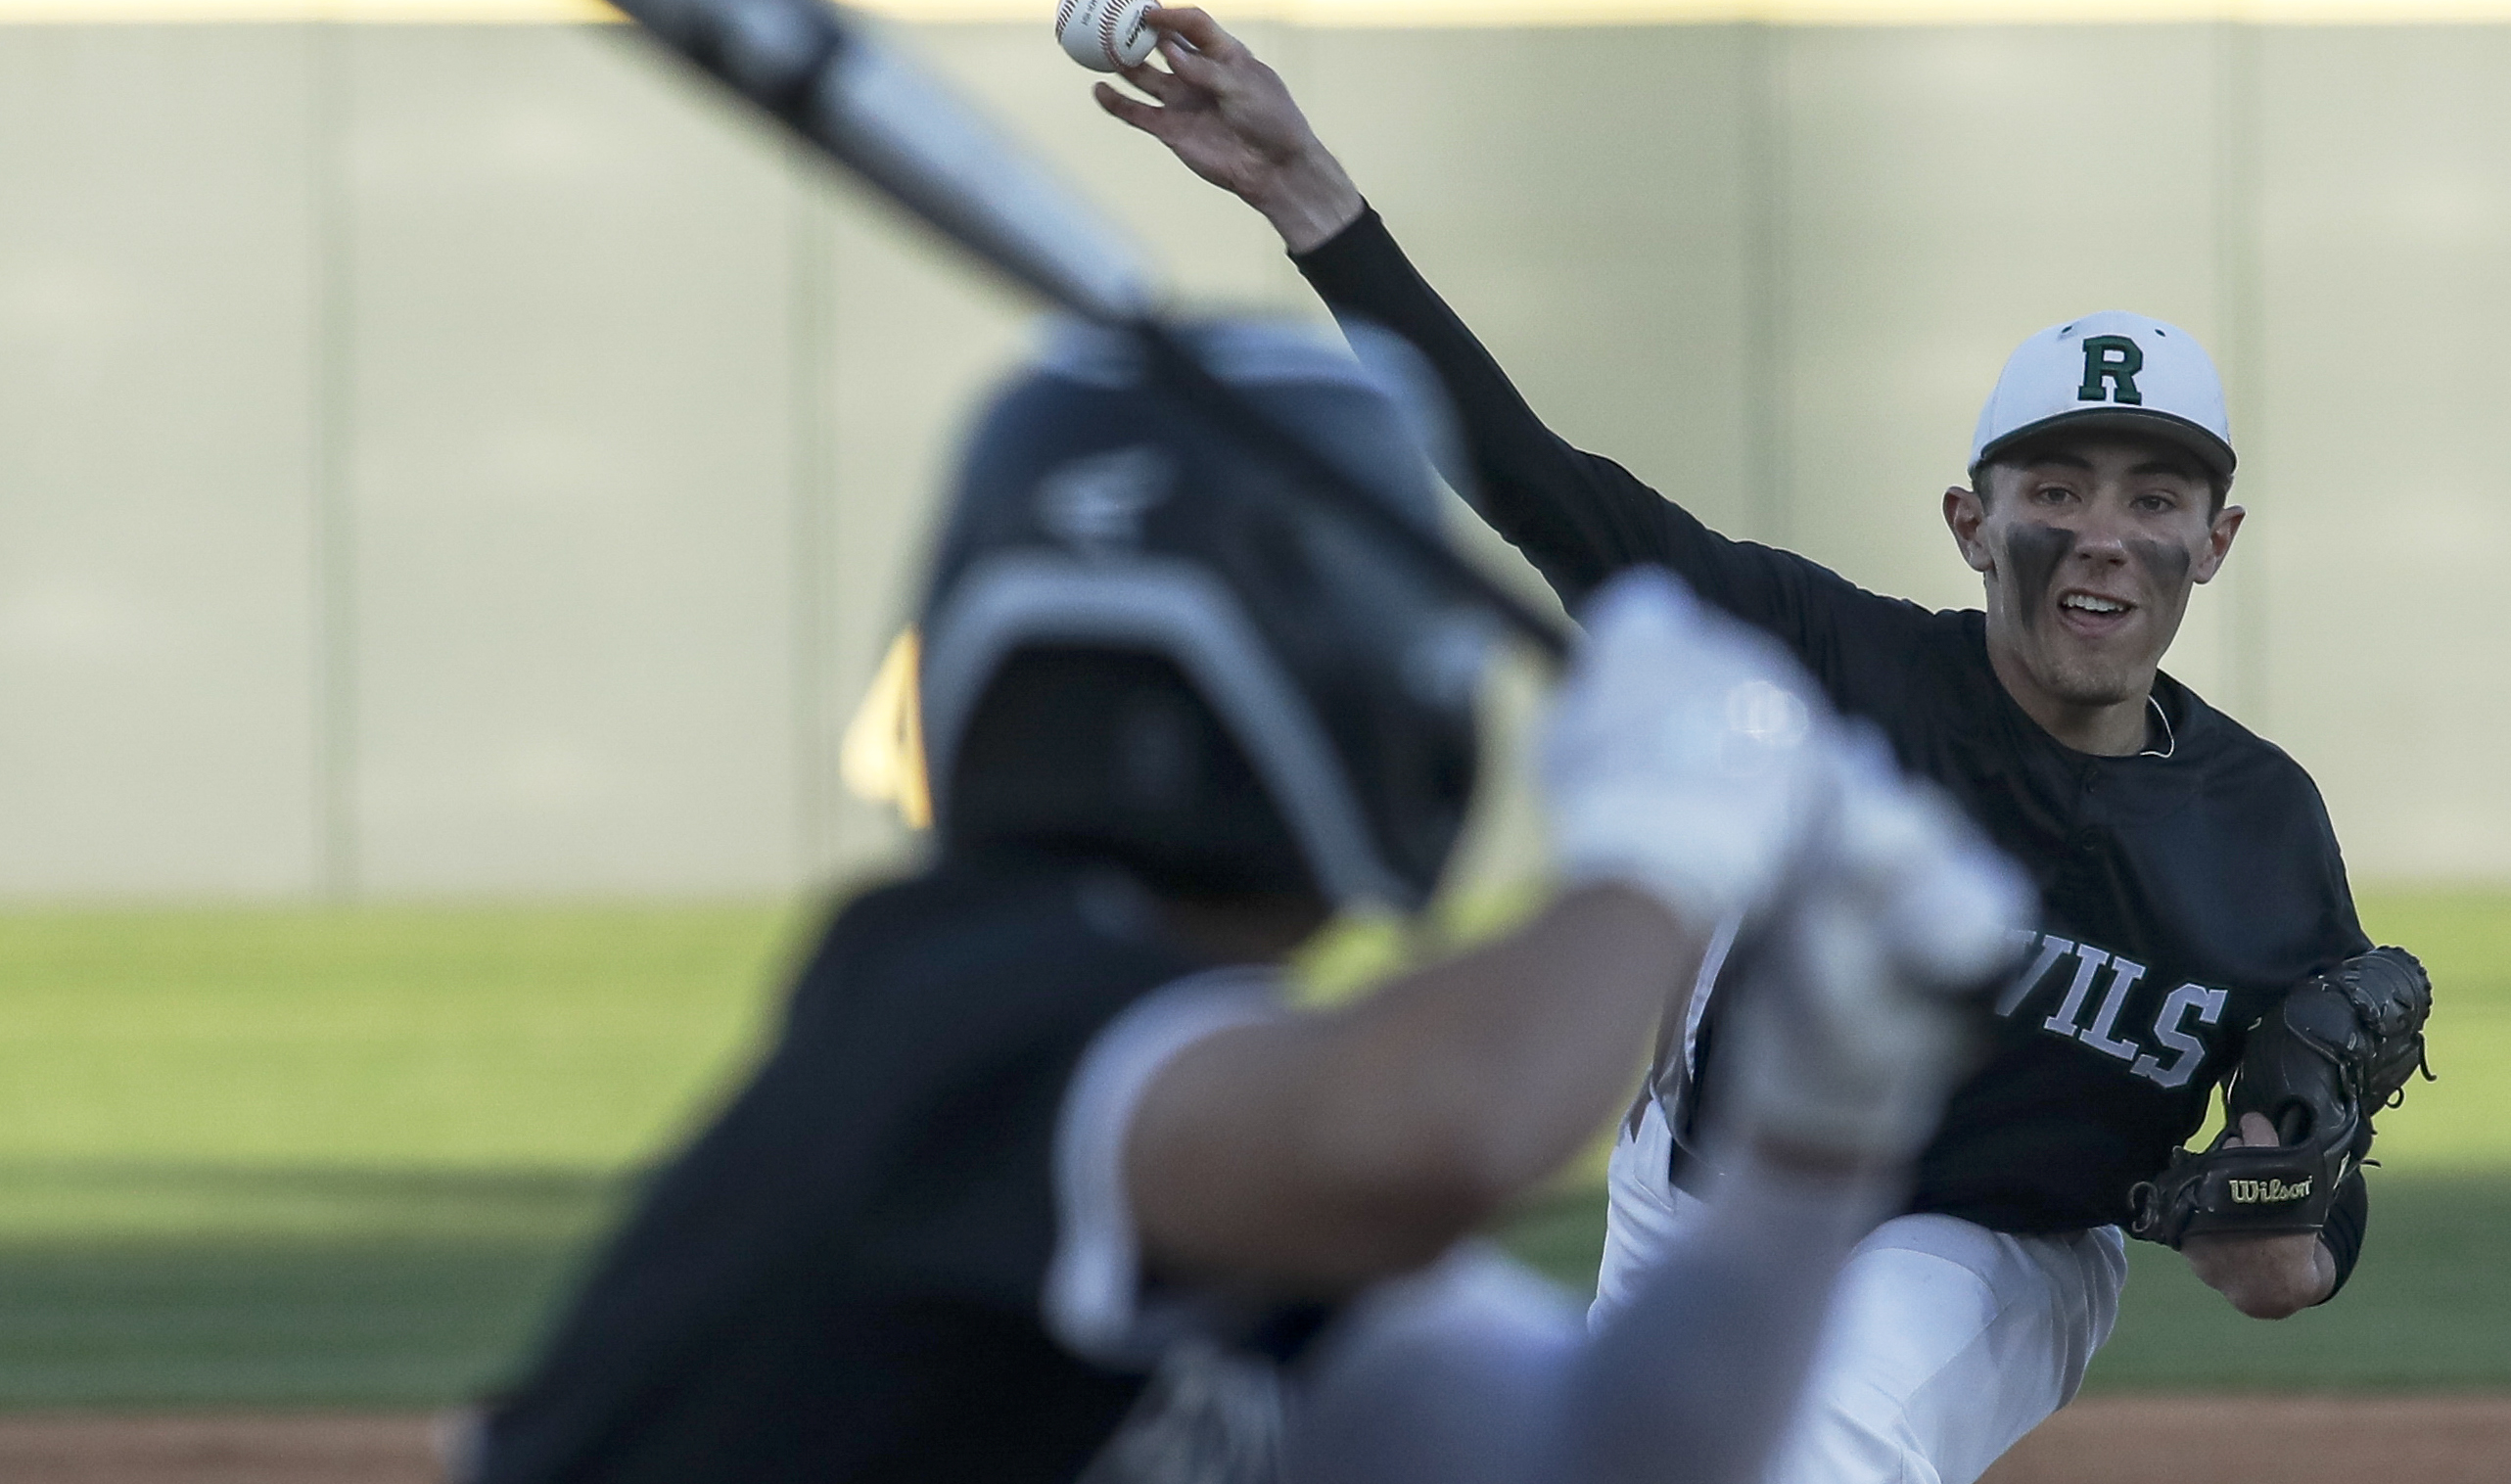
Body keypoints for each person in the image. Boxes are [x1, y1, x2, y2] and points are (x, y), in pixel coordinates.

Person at [1094, 8, 2400, 1483]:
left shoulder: (2259, 830)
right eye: (2056, 484)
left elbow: (2283, 1218)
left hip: (1997, 1248)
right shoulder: (1825, 654)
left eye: (2156, 498)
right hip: (1703, 1180)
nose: (2104, 534)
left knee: (1817, 1446)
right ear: (1971, 523)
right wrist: (1311, 203)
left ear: (2212, 542)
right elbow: (1539, 487)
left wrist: (2290, 1232)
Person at [453, 319, 2027, 1483]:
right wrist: (1675, 836)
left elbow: (1617, 1460)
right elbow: (1440, 1133)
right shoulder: (976, 1011)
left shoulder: (1223, 1144)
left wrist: (1824, 1112)